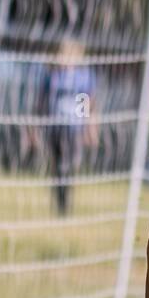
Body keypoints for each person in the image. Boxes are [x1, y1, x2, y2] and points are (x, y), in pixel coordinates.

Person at [44, 39, 97, 216]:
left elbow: (88, 102)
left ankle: (66, 203)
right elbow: (44, 102)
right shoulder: (53, 75)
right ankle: (59, 203)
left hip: (72, 128)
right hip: (55, 126)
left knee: (68, 166)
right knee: (57, 167)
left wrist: (87, 126)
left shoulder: (83, 76)